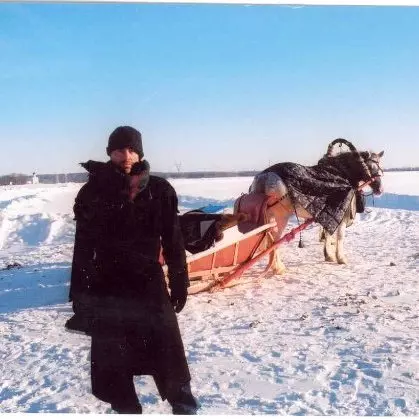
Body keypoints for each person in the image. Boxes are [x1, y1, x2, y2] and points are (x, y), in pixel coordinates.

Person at [66, 126, 199, 414]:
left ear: (139, 152)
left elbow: (173, 241)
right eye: (118, 150)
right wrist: (80, 292)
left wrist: (179, 281)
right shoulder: (92, 192)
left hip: (148, 282)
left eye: (131, 149)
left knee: (167, 347)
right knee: (114, 355)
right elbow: (83, 247)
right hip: (107, 284)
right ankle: (126, 407)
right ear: (109, 153)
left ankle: (183, 403)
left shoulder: (159, 190)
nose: (125, 156)